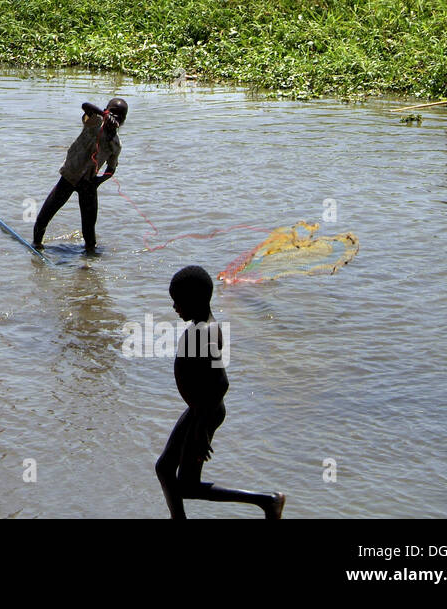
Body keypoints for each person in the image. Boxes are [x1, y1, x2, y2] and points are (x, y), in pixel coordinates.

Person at [155, 265, 285, 519]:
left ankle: (267, 501)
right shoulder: (207, 327)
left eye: (178, 302)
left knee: (189, 485)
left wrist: (201, 429)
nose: (174, 308)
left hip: (204, 412)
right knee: (164, 468)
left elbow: (221, 383)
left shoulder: (203, 333)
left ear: (194, 300)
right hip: (200, 410)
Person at [31, 98, 127, 254]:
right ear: (106, 110)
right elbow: (85, 106)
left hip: (88, 184)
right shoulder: (95, 123)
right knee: (44, 217)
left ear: (123, 121)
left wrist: (98, 181)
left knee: (89, 229)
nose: (116, 117)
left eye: (120, 116)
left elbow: (111, 168)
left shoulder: (115, 143)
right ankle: (36, 247)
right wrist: (103, 114)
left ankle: (89, 258)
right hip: (68, 178)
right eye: (113, 112)